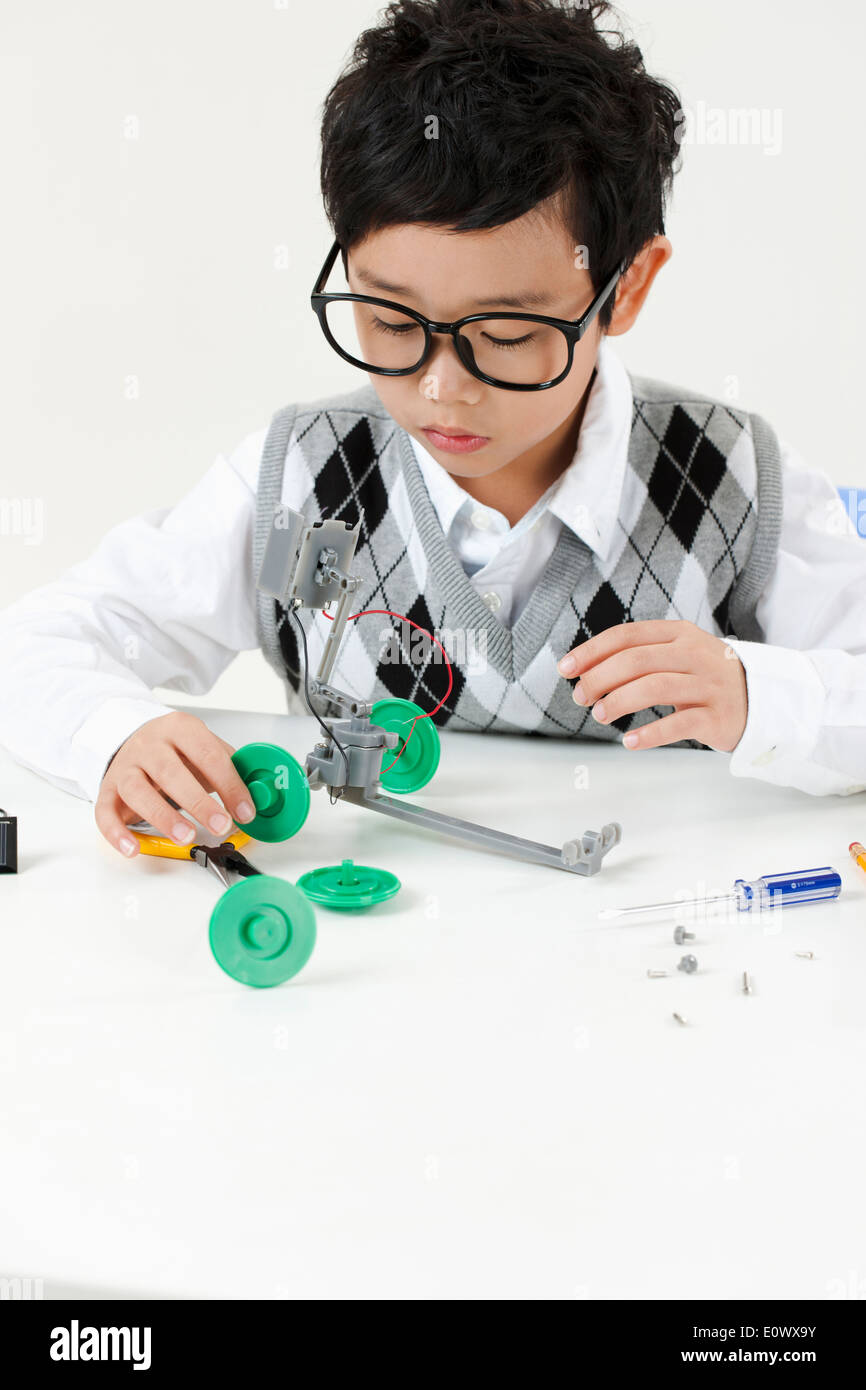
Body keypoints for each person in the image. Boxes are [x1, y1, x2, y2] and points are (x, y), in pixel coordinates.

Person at [2, 0, 865, 864]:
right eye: (388, 318)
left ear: (627, 285)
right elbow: (38, 646)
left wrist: (760, 695)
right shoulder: (311, 490)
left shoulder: (729, 481)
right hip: (367, 957)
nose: (440, 388)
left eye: (507, 335)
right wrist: (115, 735)